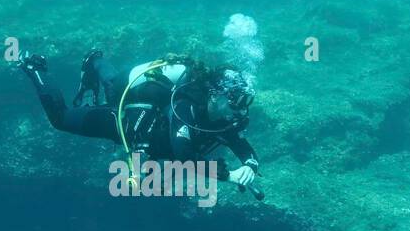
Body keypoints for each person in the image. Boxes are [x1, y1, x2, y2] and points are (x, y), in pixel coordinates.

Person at [17, 48, 261, 189]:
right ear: (217, 96)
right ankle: (34, 68)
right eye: (236, 101)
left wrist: (250, 165)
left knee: (114, 86)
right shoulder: (185, 105)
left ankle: (97, 60)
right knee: (61, 119)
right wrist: (228, 176)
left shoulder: (219, 117)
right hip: (124, 121)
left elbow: (239, 143)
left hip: (139, 109)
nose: (239, 111)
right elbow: (183, 152)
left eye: (243, 103)